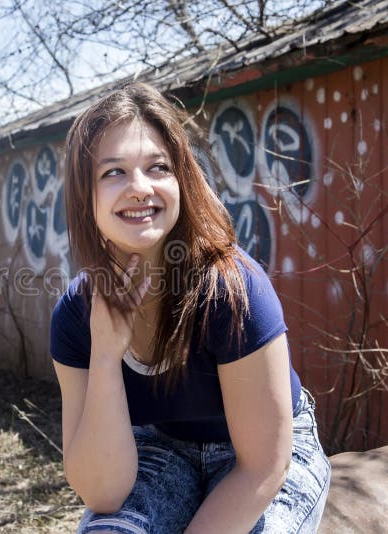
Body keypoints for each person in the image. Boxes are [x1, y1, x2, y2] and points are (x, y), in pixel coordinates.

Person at [50, 82, 330, 533]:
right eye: (113, 172)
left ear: (181, 178)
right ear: (86, 197)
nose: (140, 188)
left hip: (263, 458)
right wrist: (104, 355)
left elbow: (261, 468)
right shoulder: (74, 317)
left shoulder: (232, 291)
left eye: (157, 167)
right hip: (161, 447)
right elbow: (103, 491)